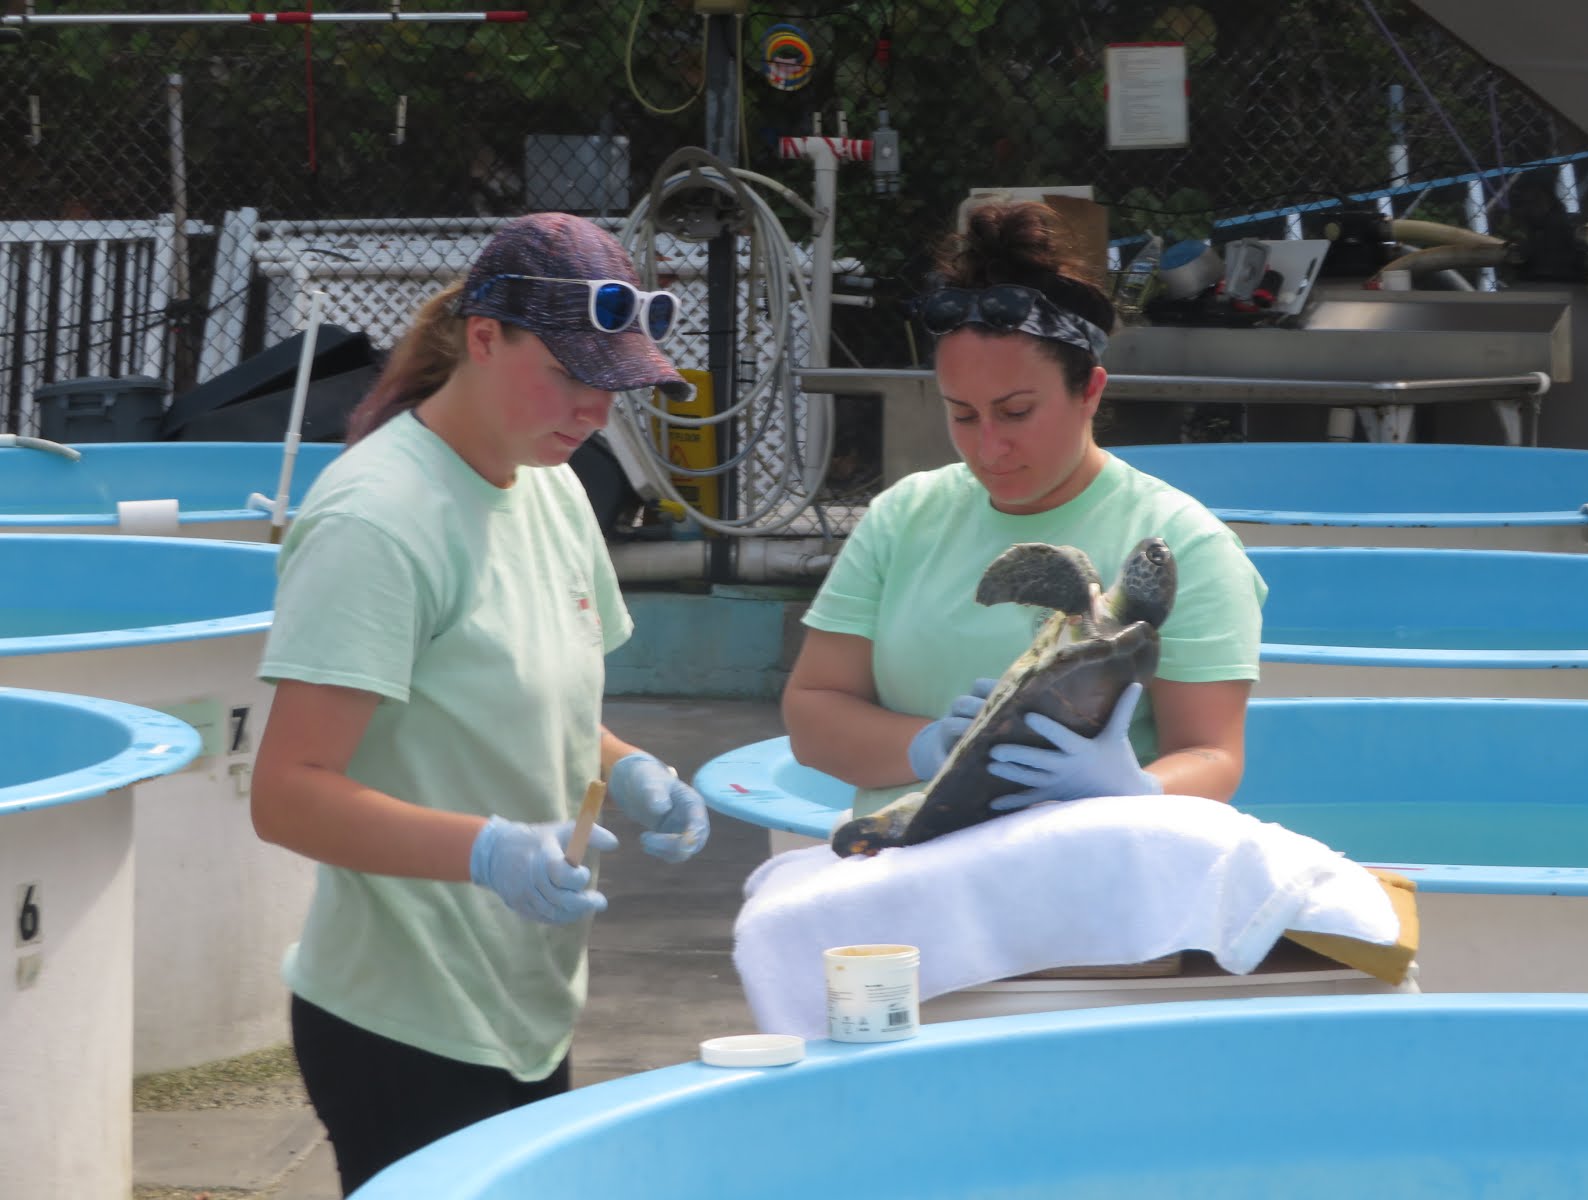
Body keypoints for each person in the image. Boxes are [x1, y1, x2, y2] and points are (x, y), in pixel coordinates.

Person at [251, 212, 712, 1194]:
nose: (594, 409)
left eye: (612, 384)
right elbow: (289, 793)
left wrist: (628, 767)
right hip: (404, 1020)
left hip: (526, 1003)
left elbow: (528, 701)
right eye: (570, 374)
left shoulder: (551, 486)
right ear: (484, 337)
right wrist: (484, 850)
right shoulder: (379, 521)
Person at [783, 200, 1267, 821]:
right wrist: (934, 748)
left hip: (1084, 859)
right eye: (962, 414)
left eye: (1016, 412)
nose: (989, 448)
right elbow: (813, 714)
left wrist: (1134, 790)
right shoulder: (903, 516)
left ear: (1090, 391)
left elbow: (1211, 754)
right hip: (902, 862)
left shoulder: (1185, 543)